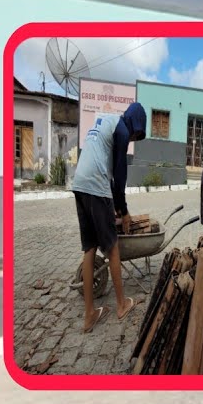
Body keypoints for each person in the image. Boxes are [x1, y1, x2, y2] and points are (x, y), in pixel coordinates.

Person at [72, 101, 146, 333]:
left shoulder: (106, 120)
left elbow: (106, 167)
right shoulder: (122, 130)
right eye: (136, 135)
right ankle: (122, 305)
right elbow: (120, 176)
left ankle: (89, 315)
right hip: (95, 186)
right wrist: (124, 212)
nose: (132, 139)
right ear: (134, 124)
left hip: (79, 184)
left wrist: (114, 205)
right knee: (113, 248)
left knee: (90, 248)